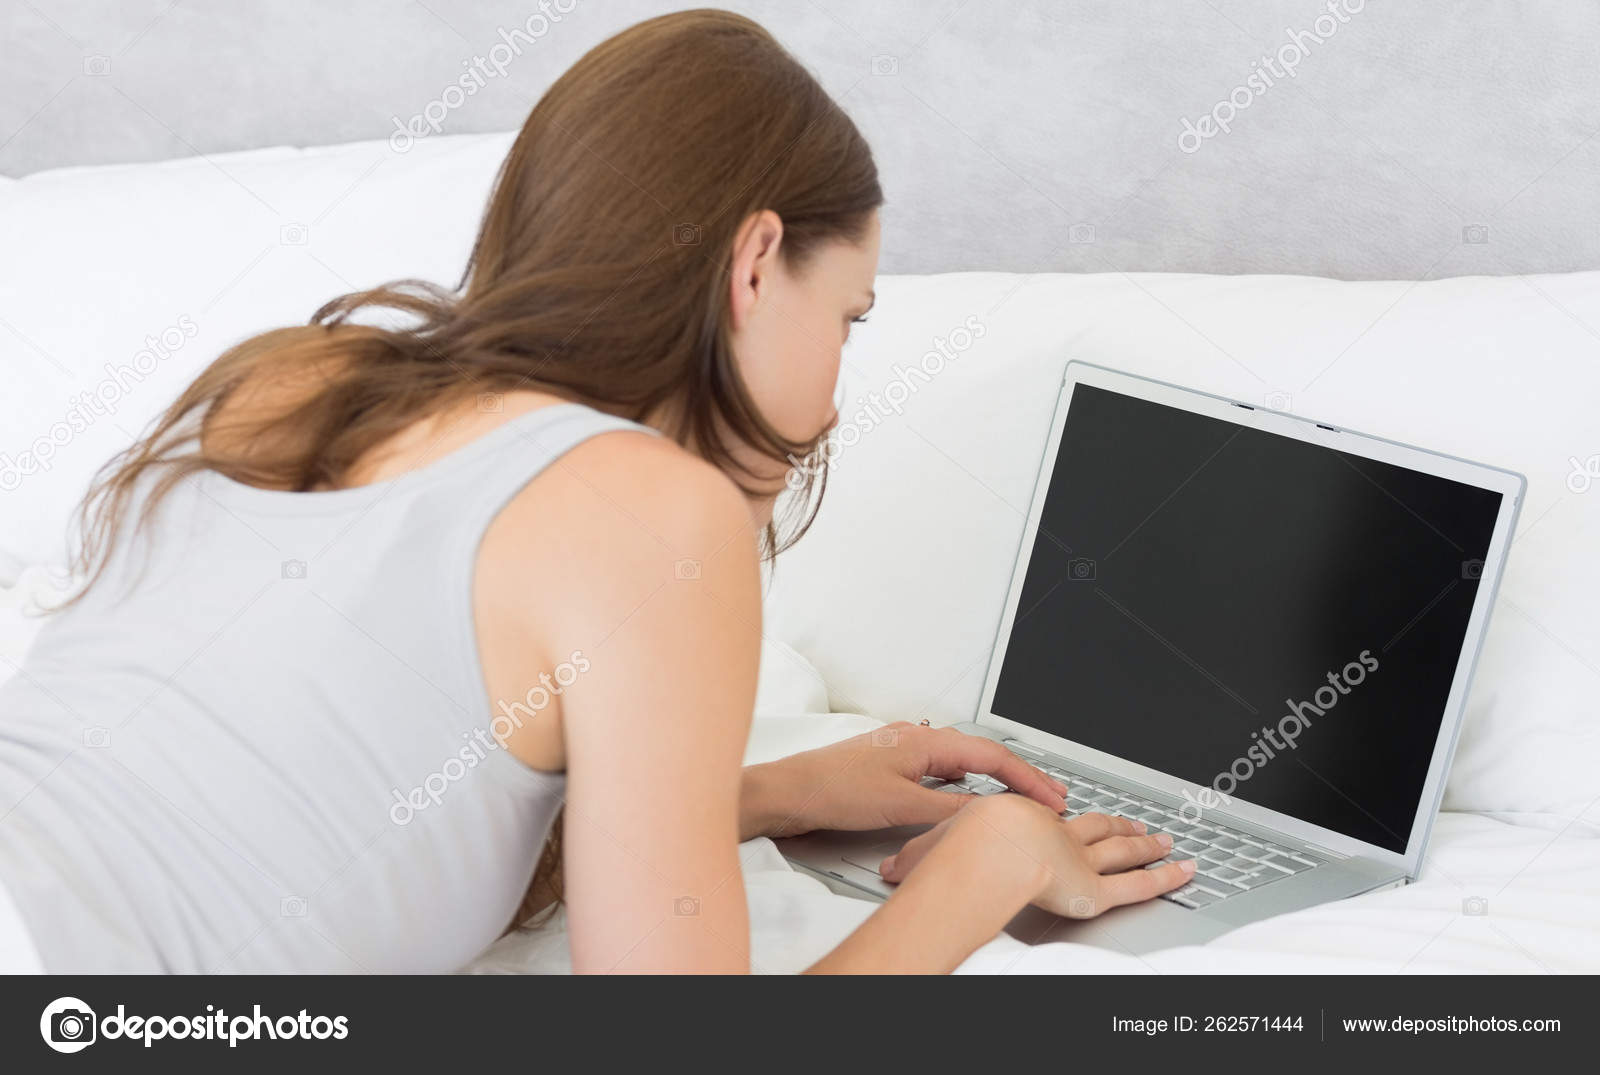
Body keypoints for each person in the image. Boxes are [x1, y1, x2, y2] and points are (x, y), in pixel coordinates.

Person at [0, 9, 1189, 974]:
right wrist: (995, 865)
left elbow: (356, 809)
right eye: (850, 319)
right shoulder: (651, 516)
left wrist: (768, 793)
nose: (834, 396)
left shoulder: (294, 382)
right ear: (755, 262)